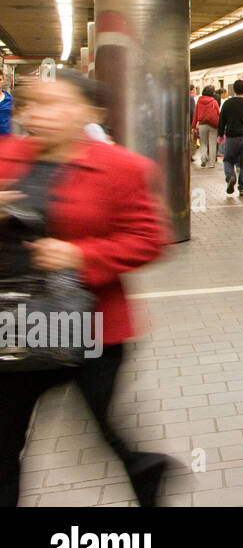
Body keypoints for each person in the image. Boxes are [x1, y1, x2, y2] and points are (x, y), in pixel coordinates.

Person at [0, 72, 172, 506]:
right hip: (15, 321)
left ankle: (142, 469)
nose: (39, 113)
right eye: (33, 103)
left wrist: (79, 255)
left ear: (89, 113)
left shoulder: (123, 168)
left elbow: (149, 240)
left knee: (103, 427)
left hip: (90, 324)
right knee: (4, 441)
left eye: (55, 103)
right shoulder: (6, 157)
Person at [191, 85, 220, 168]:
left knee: (203, 143)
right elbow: (218, 113)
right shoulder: (214, 102)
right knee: (212, 144)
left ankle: (203, 159)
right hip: (213, 125)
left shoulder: (199, 101)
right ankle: (211, 163)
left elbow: (195, 114)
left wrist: (193, 126)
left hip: (202, 125)